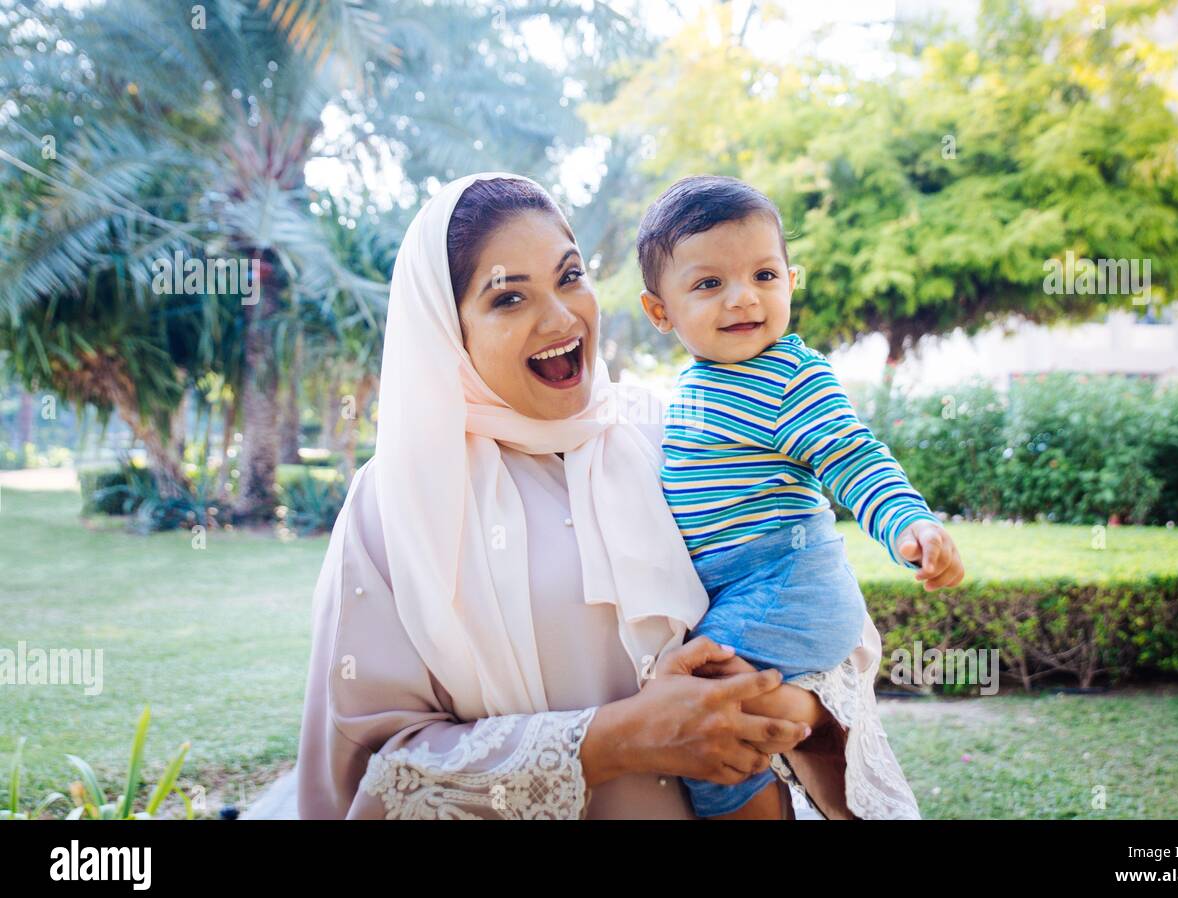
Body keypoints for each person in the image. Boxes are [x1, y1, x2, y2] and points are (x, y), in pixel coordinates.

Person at [295, 171, 922, 820]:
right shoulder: (394, 504)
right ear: (448, 330)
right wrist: (617, 739)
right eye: (509, 298)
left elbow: (819, 608)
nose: (562, 317)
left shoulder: (669, 430)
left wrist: (771, 708)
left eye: (570, 277)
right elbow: (374, 771)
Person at [636, 175, 964, 819]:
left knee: (700, 714)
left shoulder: (791, 374)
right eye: (709, 283)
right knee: (712, 715)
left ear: (790, 279)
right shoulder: (697, 383)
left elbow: (855, 457)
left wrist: (908, 525)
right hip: (752, 591)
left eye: (763, 274)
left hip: (787, 585)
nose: (742, 299)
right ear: (660, 312)